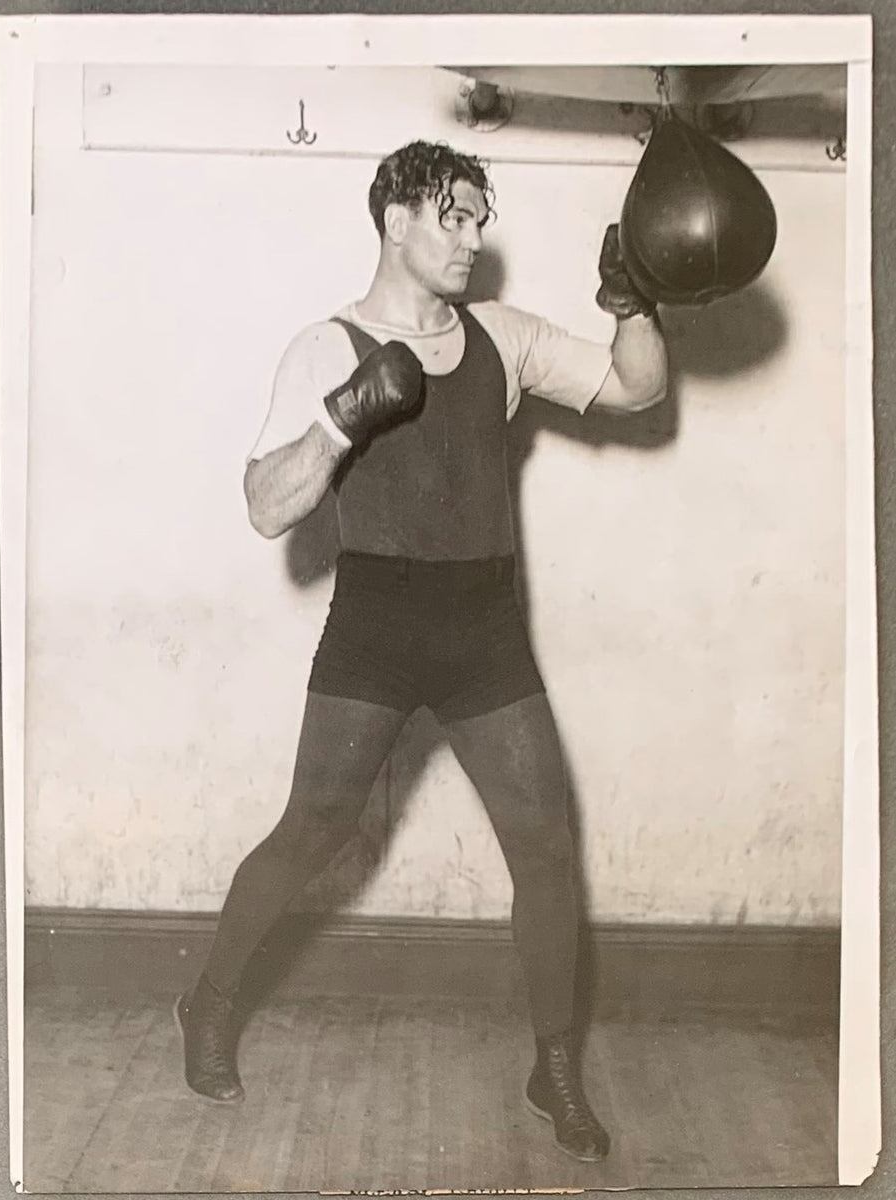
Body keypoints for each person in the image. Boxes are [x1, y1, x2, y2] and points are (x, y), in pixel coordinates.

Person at [176, 139, 668, 1163]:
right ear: (396, 220)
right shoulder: (325, 345)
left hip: (485, 626)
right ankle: (211, 1002)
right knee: (312, 831)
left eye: (480, 219)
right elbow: (267, 508)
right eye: (455, 215)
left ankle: (555, 1067)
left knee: (544, 845)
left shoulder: (504, 337)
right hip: (378, 625)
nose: (472, 238)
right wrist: (343, 416)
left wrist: (634, 301)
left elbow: (636, 393)